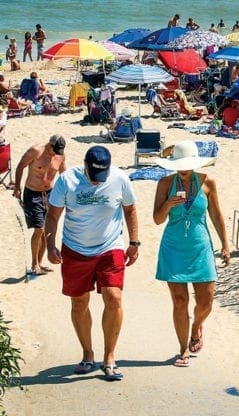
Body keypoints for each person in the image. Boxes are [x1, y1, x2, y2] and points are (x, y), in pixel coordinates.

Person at [44, 146, 139, 380]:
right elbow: (53, 215)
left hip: (110, 247)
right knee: (79, 303)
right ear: (85, 165)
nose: (98, 181)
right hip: (75, 249)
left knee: (114, 297)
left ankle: (110, 357)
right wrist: (50, 245)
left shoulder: (120, 179)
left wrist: (134, 242)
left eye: (102, 176)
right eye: (94, 176)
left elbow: (130, 209)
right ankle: (88, 353)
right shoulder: (67, 180)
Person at [153, 141, 229, 367]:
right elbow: (157, 219)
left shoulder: (207, 182)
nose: (183, 169)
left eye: (187, 165)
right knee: (179, 301)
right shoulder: (165, 183)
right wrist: (169, 204)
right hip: (173, 248)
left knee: (206, 300)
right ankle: (183, 349)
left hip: (200, 247)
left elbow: (216, 215)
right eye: (179, 165)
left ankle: (196, 327)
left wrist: (225, 245)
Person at [13, 134, 67, 275]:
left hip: (50, 194)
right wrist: (17, 186)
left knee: (46, 229)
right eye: (54, 150)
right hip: (32, 193)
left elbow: (64, 176)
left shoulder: (60, 156)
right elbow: (20, 166)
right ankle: (34, 264)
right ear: (49, 144)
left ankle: (40, 263)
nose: (55, 154)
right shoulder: (36, 151)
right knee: (39, 229)